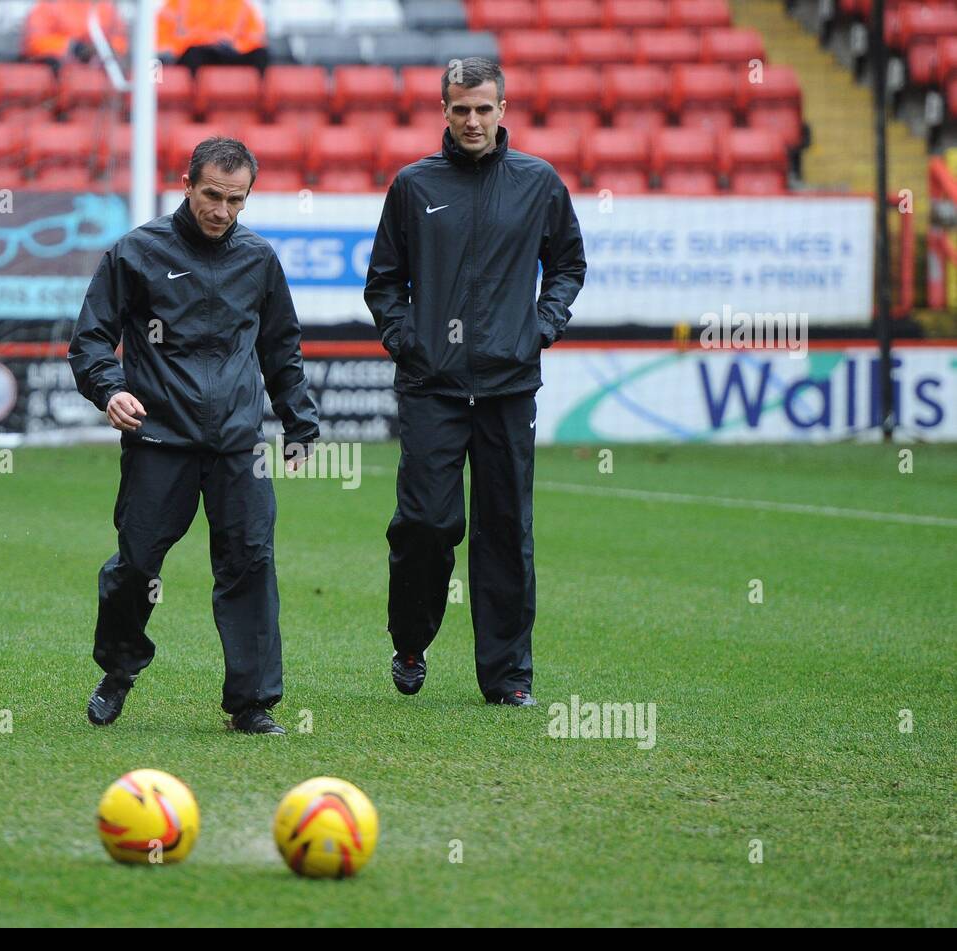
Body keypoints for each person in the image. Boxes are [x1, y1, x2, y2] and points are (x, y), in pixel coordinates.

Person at [69, 136, 319, 735]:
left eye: (236, 201)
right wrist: (110, 389)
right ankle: (119, 670)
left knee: (250, 563)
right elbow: (91, 339)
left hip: (238, 444)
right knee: (136, 566)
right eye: (212, 195)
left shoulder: (258, 260)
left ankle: (252, 703)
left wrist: (299, 422)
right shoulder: (136, 253)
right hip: (160, 442)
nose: (222, 211)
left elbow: (280, 348)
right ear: (187, 183)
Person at [363, 58, 586, 707]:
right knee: (426, 524)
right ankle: (410, 638)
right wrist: (409, 340)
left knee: (506, 529)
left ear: (503, 109)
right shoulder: (413, 185)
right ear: (444, 111)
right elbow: (383, 281)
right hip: (432, 386)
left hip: (509, 384)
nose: (472, 120)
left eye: (483, 108)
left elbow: (568, 262)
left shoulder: (538, 183)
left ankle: (508, 676)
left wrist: (542, 325)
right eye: (460, 109)